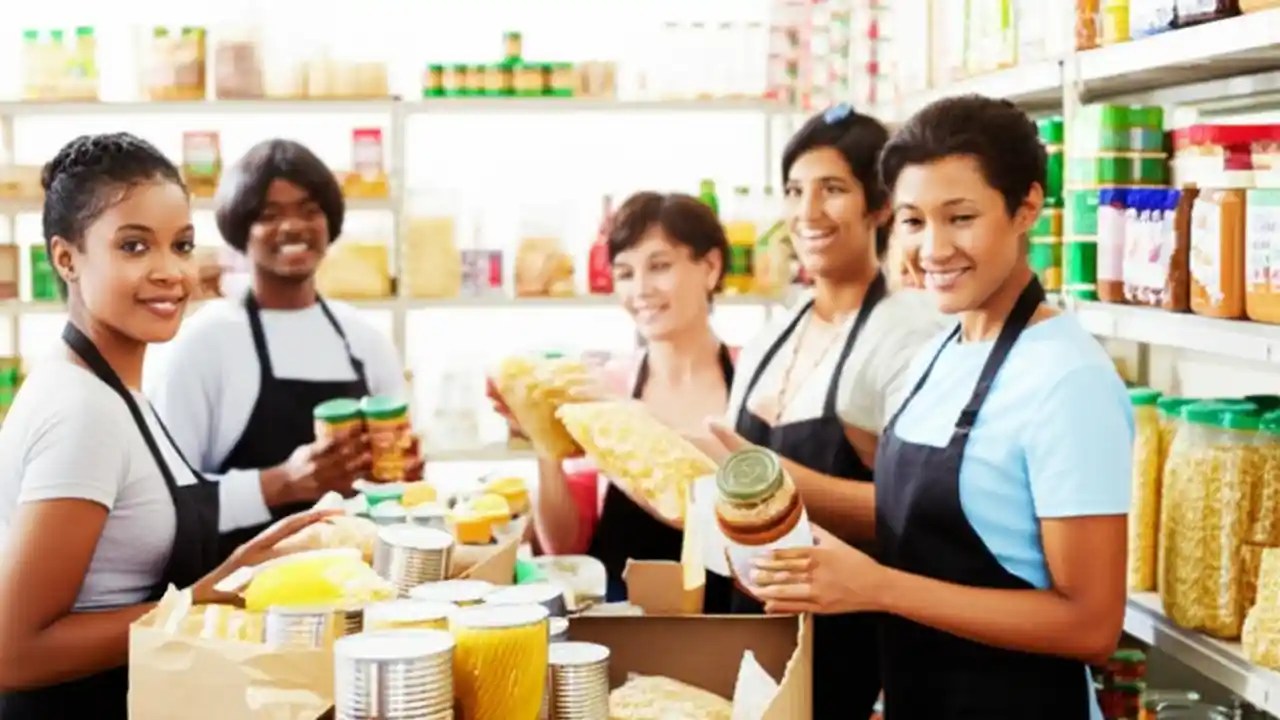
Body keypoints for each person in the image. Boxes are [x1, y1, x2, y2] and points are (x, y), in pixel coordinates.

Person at [752, 96, 1132, 719]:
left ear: (1027, 208)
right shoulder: (941, 350)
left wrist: (877, 588)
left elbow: (1090, 626)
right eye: (912, 220)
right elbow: (916, 519)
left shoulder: (1066, 377)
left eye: (960, 217)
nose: (933, 248)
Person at [0, 133, 329, 719]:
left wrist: (240, 572)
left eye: (181, 245)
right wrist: (201, 599)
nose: (170, 272)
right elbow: (16, 652)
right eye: (133, 246)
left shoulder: (119, 392)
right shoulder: (82, 410)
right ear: (66, 257)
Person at [701, 103, 945, 720]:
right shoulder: (769, 337)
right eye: (794, 191)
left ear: (881, 206)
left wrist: (783, 486)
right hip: (753, 634)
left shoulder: (909, 332)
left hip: (854, 644)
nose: (807, 213)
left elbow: (916, 515)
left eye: (832, 189)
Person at [145, 139, 419, 560]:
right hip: (238, 599)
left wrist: (405, 475)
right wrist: (285, 481)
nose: (292, 227)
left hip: (357, 584)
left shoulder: (363, 339)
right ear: (239, 231)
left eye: (309, 210)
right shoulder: (203, 344)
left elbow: (399, 486)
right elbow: (163, 504)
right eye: (269, 215)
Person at [493, 191, 736, 606]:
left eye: (659, 266)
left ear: (710, 267)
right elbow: (564, 546)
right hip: (622, 623)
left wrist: (632, 418)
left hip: (732, 622)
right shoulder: (607, 383)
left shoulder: (754, 380)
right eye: (624, 273)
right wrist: (543, 439)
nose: (640, 289)